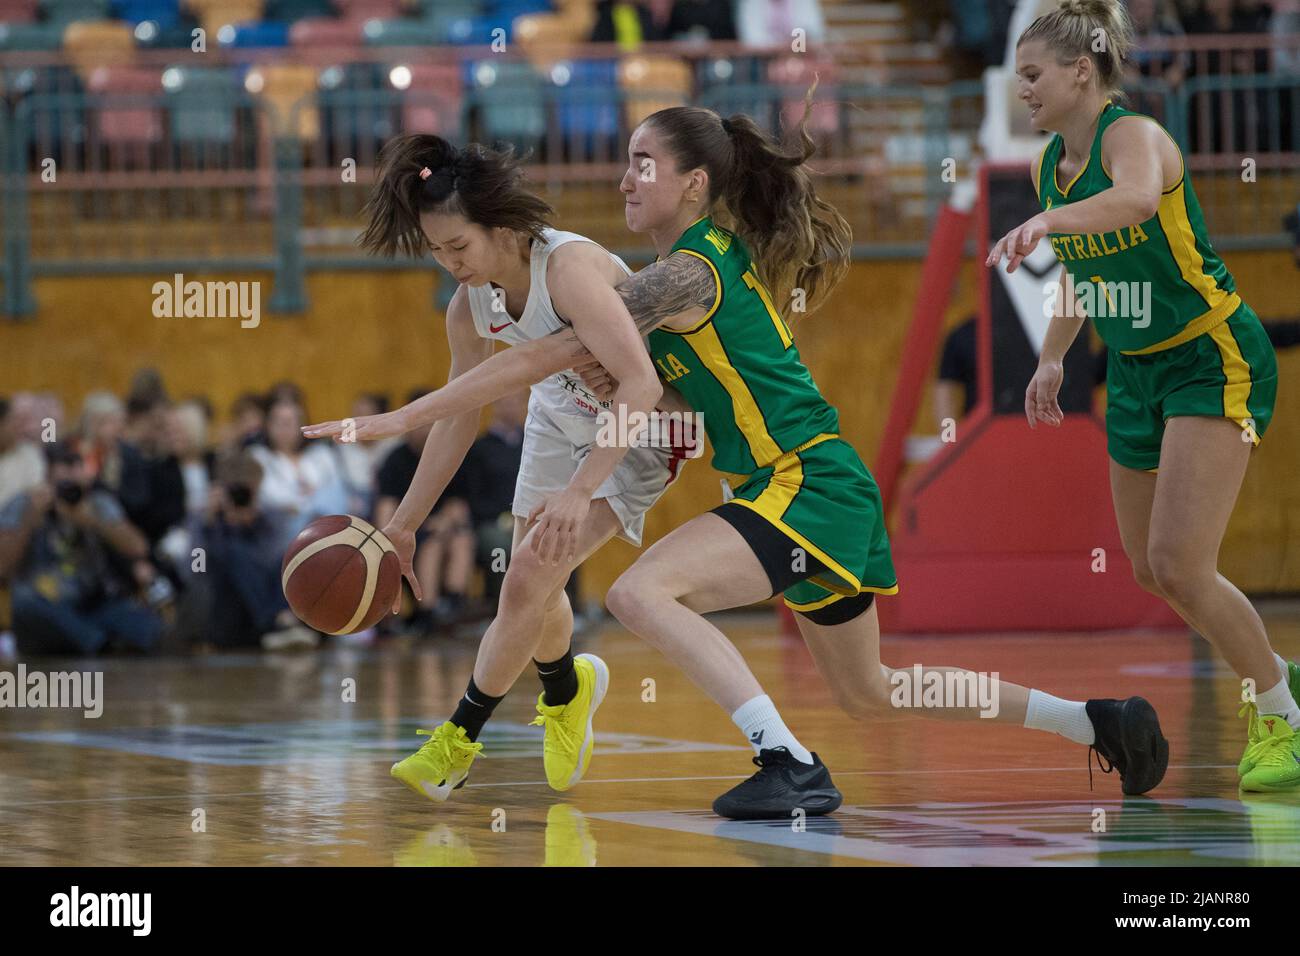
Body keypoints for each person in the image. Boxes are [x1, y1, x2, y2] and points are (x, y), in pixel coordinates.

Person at [307, 96, 1171, 819]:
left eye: (643, 163)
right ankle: (1096, 722)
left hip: (803, 481)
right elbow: (561, 363)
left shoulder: (689, 271)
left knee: (640, 590)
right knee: (872, 691)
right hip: (803, 486)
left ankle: (787, 762)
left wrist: (404, 416)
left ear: (694, 183)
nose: (623, 177)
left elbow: (543, 357)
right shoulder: (664, 273)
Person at [314, 133, 687, 802]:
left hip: (643, 428)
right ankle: (569, 693)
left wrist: (581, 490)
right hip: (555, 415)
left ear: (503, 227)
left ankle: (456, 741)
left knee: (524, 582)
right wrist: (403, 526)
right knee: (534, 592)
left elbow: (641, 385)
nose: (448, 263)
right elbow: (461, 414)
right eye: (435, 251)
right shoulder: (469, 306)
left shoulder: (567, 269)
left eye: (458, 247)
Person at [988, 0, 1294, 792]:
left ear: (1080, 72)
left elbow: (1132, 202)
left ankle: (1279, 715)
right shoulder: (1047, 162)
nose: (1021, 89)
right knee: (1149, 568)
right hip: (1132, 370)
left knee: (1181, 564)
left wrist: (1048, 220)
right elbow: (1089, 275)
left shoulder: (1137, 139)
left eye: (1032, 74)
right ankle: (1269, 663)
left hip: (1208, 354)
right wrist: (1053, 358)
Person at [0, 443, 161, 655]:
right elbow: (3, 566)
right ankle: (99, 644)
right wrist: (30, 520)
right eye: (65, 466)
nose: (72, 473)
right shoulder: (25, 504)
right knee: (26, 603)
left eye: (77, 465)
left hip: (94, 603)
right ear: (46, 475)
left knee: (152, 631)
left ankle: (93, 641)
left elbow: (138, 548)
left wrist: (93, 522)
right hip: (46, 606)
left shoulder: (97, 502)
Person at [373, 388, 475, 634]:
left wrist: (446, 522)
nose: (426, 429)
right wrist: (385, 539)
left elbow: (458, 504)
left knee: (462, 538)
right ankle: (427, 611)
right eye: (422, 423)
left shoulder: (451, 454)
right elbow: (386, 506)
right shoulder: (395, 460)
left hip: (441, 526)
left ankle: (453, 602)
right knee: (431, 545)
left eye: (433, 422)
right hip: (410, 528)